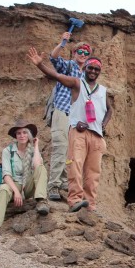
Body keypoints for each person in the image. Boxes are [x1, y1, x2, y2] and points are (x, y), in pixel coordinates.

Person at [27, 48, 112, 213]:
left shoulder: (102, 90)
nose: (93, 71)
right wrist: (40, 65)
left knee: (93, 172)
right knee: (75, 166)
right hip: (78, 132)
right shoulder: (76, 83)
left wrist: (104, 124)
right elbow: (56, 76)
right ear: (85, 68)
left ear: (99, 72)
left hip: (96, 136)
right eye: (90, 68)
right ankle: (74, 200)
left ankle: (90, 204)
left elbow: (110, 110)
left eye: (96, 69)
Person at [45, 33, 91, 201]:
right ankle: (53, 186)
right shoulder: (69, 66)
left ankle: (64, 181)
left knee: (71, 151)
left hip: (76, 118)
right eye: (80, 51)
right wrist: (63, 42)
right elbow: (54, 58)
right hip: (62, 110)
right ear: (74, 52)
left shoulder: (87, 75)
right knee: (60, 147)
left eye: (86, 53)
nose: (83, 54)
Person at [0, 121, 50, 236]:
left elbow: (37, 165)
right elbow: (6, 175)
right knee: (3, 189)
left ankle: (41, 201)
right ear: (15, 136)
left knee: (41, 168)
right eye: (19, 133)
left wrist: (36, 146)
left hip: (28, 186)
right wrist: (16, 192)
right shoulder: (8, 151)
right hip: (14, 184)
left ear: (29, 135)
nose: (22, 136)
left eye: (25, 133)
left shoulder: (32, 150)